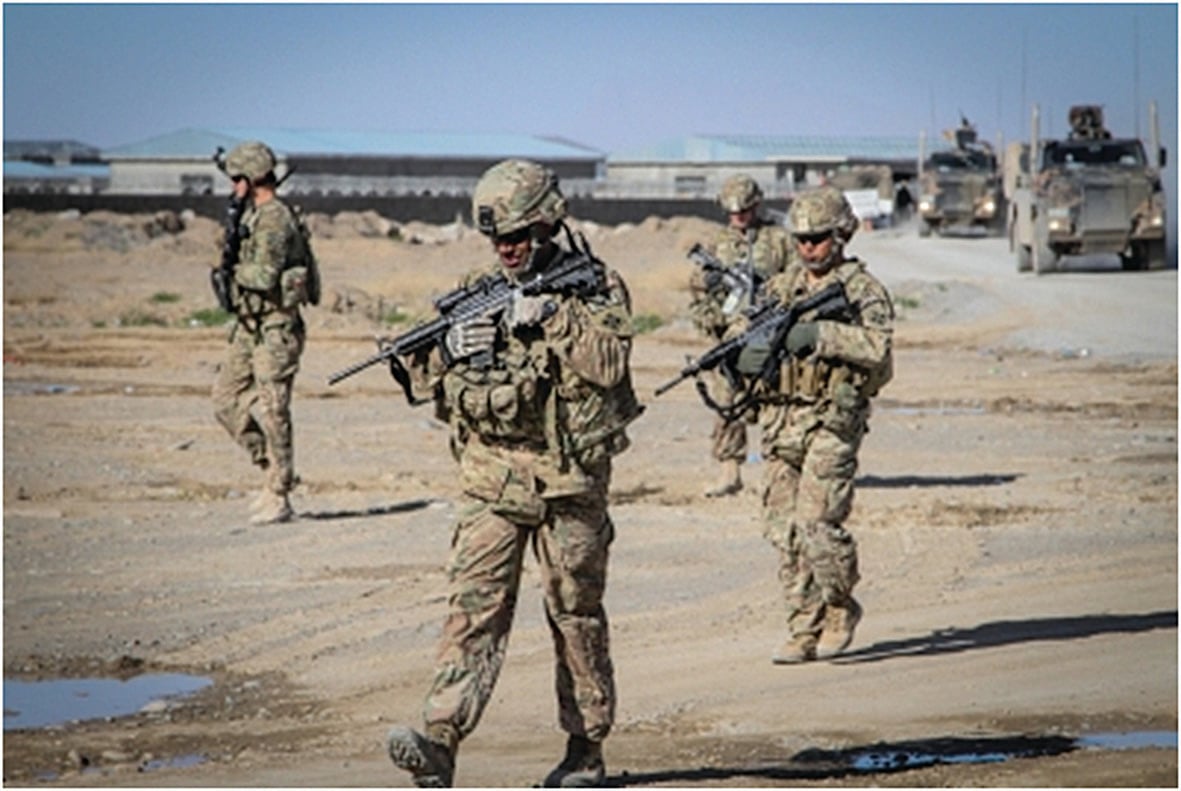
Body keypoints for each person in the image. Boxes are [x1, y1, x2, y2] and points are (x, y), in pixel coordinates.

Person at [384, 159, 642, 788]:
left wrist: (552, 317)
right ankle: (439, 740)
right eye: (497, 238)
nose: (507, 248)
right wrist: (449, 351)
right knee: (473, 608)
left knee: (575, 614)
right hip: (492, 480)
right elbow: (421, 374)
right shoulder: (476, 290)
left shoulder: (595, 285)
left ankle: (585, 749)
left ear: (548, 225)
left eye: (519, 236)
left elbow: (610, 363)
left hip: (569, 480)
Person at [733, 186, 892, 664]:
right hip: (781, 422)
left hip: (831, 421)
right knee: (784, 532)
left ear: (841, 235)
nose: (808, 248)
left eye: (818, 238)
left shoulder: (862, 290)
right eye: (801, 239)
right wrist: (743, 355)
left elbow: (879, 351)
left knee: (817, 525)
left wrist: (821, 335)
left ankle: (840, 604)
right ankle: (803, 627)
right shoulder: (780, 288)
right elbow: (743, 332)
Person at [211, 140, 318, 525]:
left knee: (274, 410)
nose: (232, 186)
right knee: (225, 401)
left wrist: (231, 270)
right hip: (249, 325)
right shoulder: (252, 215)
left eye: (236, 178)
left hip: (276, 326)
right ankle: (269, 469)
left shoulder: (274, 219)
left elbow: (265, 275)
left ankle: (280, 492)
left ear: (251, 178)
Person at [687, 174, 792, 497]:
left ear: (756, 205)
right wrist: (710, 294)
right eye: (733, 213)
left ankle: (778, 470)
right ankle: (729, 471)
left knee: (777, 400)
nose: (739, 218)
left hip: (770, 332)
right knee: (727, 402)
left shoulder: (778, 239)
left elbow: (797, 278)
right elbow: (697, 287)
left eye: (744, 211)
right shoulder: (718, 242)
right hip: (729, 334)